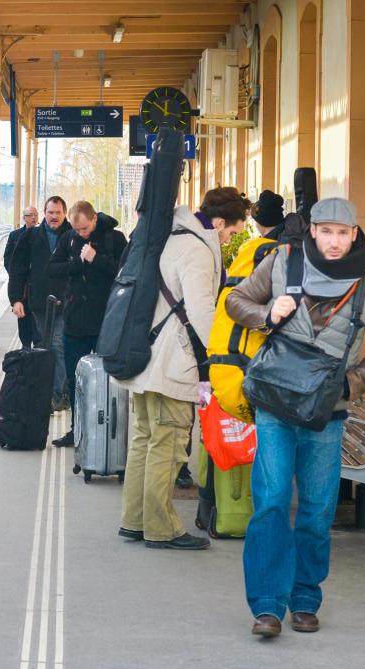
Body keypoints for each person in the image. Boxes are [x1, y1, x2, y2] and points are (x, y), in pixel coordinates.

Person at [226, 197, 365, 637]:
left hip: (328, 412)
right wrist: (267, 314)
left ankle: (305, 598)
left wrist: (353, 383)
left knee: (317, 509)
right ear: (313, 233)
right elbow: (236, 301)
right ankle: (267, 606)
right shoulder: (284, 263)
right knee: (269, 502)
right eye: (326, 231)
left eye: (343, 233)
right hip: (276, 405)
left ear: (355, 235)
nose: (335, 241)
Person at [117, 187, 249, 550]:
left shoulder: (172, 235)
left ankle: (134, 519)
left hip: (147, 357)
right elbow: (202, 310)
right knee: (169, 444)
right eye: (232, 232)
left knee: (144, 439)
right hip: (171, 362)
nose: (229, 240)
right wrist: (222, 355)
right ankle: (161, 528)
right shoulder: (196, 249)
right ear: (219, 222)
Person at [47, 201, 125, 446]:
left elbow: (124, 273)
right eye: (76, 229)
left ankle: (107, 434)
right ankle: (76, 429)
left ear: (93, 219)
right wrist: (78, 264)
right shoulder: (69, 238)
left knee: (108, 380)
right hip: (75, 320)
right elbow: (52, 269)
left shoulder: (115, 239)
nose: (80, 233)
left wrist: (96, 259)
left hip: (105, 322)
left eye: (83, 229)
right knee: (74, 378)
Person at [9, 196, 72, 409]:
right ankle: (44, 392)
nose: (54, 217)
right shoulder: (31, 236)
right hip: (39, 302)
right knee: (42, 346)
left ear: (65, 213)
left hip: (65, 302)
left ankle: (57, 395)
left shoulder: (73, 236)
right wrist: (16, 299)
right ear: (44, 213)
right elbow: (18, 268)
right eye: (51, 212)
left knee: (57, 345)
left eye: (58, 212)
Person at [3, 206, 39, 347]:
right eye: (30, 215)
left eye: (35, 215)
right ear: (24, 218)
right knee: (23, 318)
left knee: (37, 323)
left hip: (36, 286)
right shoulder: (15, 235)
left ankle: (36, 349)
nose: (33, 218)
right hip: (22, 287)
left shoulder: (41, 235)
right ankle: (25, 346)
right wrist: (15, 276)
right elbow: (8, 259)